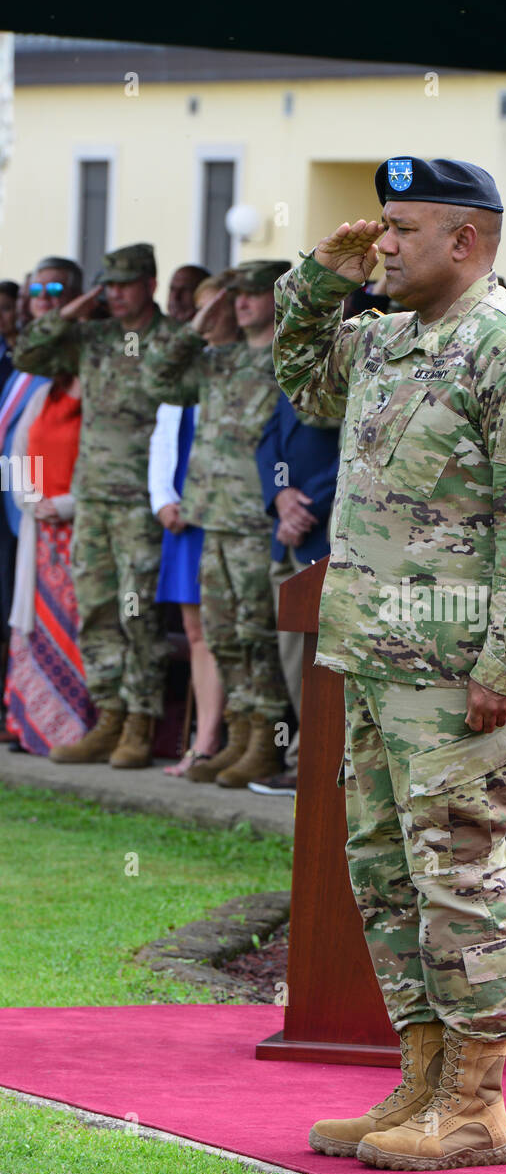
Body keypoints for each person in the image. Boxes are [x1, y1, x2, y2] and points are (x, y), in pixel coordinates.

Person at [273, 156, 506, 1172]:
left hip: (457, 673)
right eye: (380, 227)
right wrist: (321, 276)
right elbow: (298, 374)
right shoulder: (383, 341)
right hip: (374, 656)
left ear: (466, 240)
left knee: (457, 876)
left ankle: (472, 1106)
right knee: (384, 872)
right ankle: (416, 1075)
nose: (384, 243)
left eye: (404, 228)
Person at [14, 243, 175, 769]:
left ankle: (139, 722)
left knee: (138, 616)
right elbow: (28, 354)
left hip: (139, 504)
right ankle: (107, 716)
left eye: (126, 283)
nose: (116, 292)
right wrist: (69, 311)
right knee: (98, 613)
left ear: (150, 283)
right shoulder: (93, 338)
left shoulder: (172, 339)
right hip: (93, 501)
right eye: (109, 284)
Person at [143, 259, 290, 789]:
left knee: (258, 634)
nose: (243, 301)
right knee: (224, 636)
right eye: (236, 294)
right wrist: (199, 320)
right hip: (211, 516)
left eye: (253, 293)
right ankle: (237, 735)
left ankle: (265, 742)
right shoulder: (217, 361)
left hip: (254, 518)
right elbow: (156, 375)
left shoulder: (285, 359)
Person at [4, 256, 96, 754]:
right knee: (36, 627)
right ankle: (33, 727)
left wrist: (64, 504)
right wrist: (28, 498)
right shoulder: (45, 391)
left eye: (55, 291)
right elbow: (18, 448)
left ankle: (73, 731)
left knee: (82, 630)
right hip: (38, 530)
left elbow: (107, 460)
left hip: (78, 526)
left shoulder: (100, 387)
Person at [148, 274, 239, 777]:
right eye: (200, 310)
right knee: (196, 628)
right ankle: (202, 740)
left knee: (227, 630)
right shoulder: (192, 367)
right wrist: (163, 498)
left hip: (224, 512)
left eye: (214, 308)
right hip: (183, 513)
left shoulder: (247, 366)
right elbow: (164, 433)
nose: (205, 318)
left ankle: (217, 742)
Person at [251, 388, 339, 795]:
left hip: (323, 532)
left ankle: (319, 762)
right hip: (287, 536)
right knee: (293, 655)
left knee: (323, 657)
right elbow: (269, 440)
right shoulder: (294, 371)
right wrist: (279, 495)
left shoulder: (354, 360)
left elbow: (357, 448)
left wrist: (306, 508)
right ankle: (303, 760)